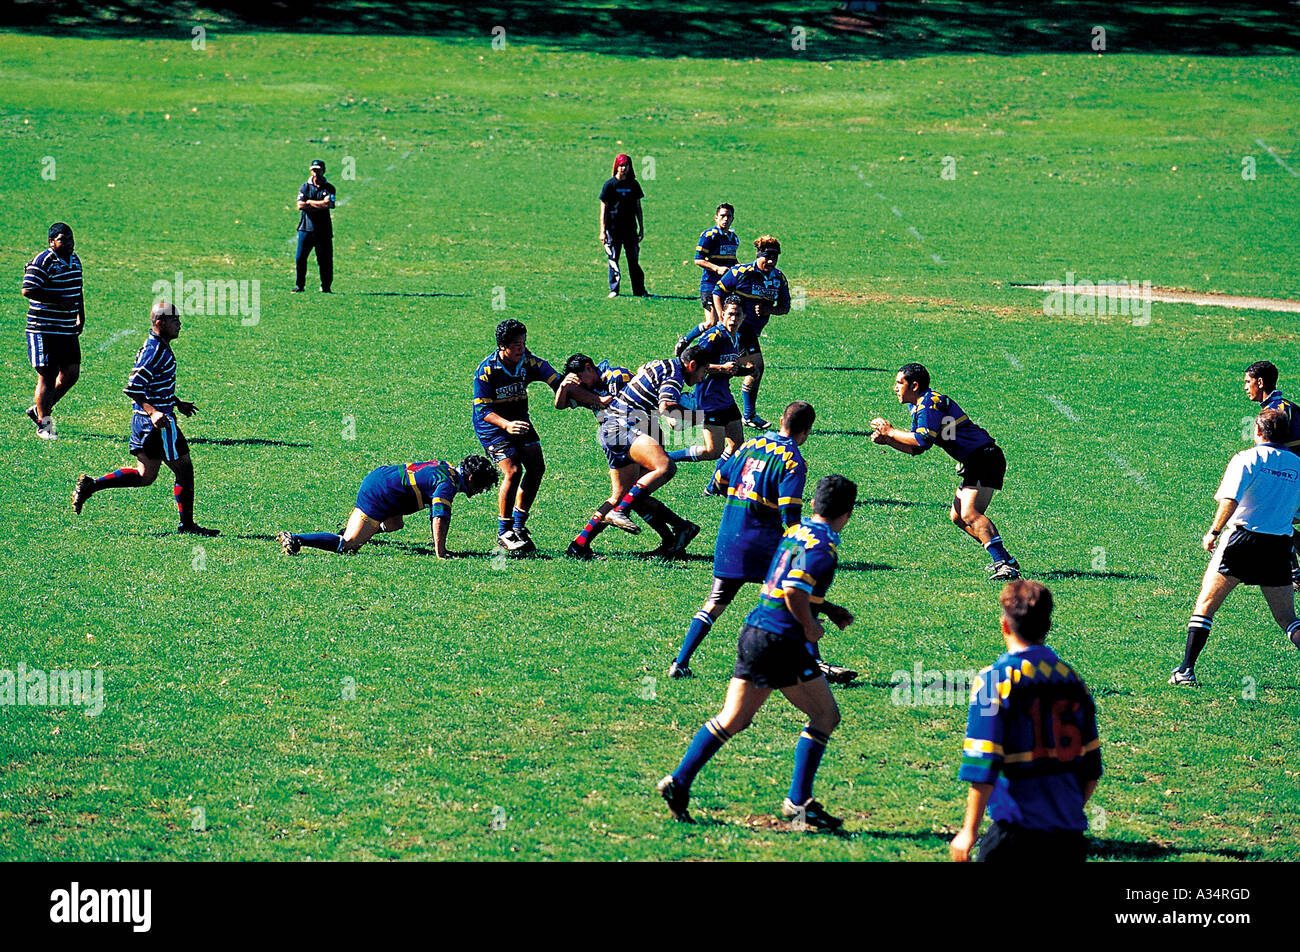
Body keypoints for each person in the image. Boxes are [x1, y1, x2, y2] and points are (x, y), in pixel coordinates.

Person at [657, 474, 858, 830]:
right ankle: (799, 804)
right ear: (849, 512)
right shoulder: (825, 546)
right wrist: (812, 627)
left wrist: (827, 608)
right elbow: (794, 591)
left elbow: (784, 579)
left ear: (813, 504)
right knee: (826, 717)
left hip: (755, 632)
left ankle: (679, 781)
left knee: (732, 719)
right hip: (782, 641)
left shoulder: (798, 533)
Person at [951, 580, 1102, 863]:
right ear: (1048, 626)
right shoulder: (1073, 680)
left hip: (1015, 835)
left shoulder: (993, 681)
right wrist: (1064, 811)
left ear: (1005, 625)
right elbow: (1092, 767)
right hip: (1068, 838)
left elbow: (983, 764)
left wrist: (968, 831)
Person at [1170, 408, 1300, 686]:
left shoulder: (1247, 458)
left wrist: (1214, 531)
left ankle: (1185, 671)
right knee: (1288, 618)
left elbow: (1230, 499)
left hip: (1242, 541)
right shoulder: (1298, 466)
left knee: (1205, 606)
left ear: (1258, 432)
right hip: (1279, 547)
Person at [71, 302, 218, 536]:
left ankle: (92, 485)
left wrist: (176, 402)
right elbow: (133, 387)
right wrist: (154, 411)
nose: (179, 324)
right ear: (160, 323)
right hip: (157, 425)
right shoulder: (155, 350)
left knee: (145, 476)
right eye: (175, 320)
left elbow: (152, 385)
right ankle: (187, 525)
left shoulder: (157, 346)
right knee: (184, 471)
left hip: (145, 423)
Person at [869, 363, 1021, 580]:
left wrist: (891, 431)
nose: (895, 388)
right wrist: (889, 441)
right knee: (958, 517)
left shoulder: (929, 404)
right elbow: (918, 447)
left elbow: (922, 439)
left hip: (984, 457)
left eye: (899, 383)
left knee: (969, 513)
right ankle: (1004, 559)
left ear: (914, 385)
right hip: (975, 459)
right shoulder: (919, 406)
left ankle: (1004, 563)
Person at [567, 348, 708, 559]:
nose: (701, 378)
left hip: (613, 428)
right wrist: (699, 418)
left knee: (626, 495)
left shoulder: (663, 364)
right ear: (692, 365)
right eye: (703, 372)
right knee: (665, 468)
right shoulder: (675, 374)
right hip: (625, 426)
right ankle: (623, 512)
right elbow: (666, 406)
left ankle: (579, 545)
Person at [277, 455, 497, 558]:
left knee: (394, 524)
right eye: (482, 486)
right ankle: (296, 538)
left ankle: (362, 529)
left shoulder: (447, 469)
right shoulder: (447, 484)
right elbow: (439, 517)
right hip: (379, 493)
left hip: (382, 480)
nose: (481, 492)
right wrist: (441, 552)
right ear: (470, 478)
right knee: (349, 546)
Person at [472, 319, 561, 555]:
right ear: (502, 346)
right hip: (493, 426)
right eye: (516, 344)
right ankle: (504, 531)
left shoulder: (526, 362)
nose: (521, 348)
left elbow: (550, 374)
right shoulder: (487, 371)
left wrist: (562, 387)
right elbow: (483, 410)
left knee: (537, 467)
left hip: (519, 420)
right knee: (513, 471)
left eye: (523, 342)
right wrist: (507, 425)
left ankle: (520, 525)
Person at [710, 236, 790, 429]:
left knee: (727, 370)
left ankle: (718, 410)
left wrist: (767, 310)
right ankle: (747, 415)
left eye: (775, 258)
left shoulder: (779, 279)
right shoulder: (741, 272)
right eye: (767, 257)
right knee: (756, 366)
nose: (770, 262)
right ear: (758, 255)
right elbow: (717, 291)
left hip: (751, 330)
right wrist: (722, 317)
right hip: (739, 329)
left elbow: (785, 307)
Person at [668, 295, 751, 477]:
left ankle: (714, 486)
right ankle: (668, 457)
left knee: (737, 444)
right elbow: (691, 362)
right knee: (713, 451)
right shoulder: (713, 337)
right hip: (708, 401)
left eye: (738, 315)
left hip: (725, 399)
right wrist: (722, 367)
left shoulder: (736, 338)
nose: (733, 319)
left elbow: (729, 369)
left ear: (744, 316)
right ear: (722, 314)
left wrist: (746, 371)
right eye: (730, 314)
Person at [22, 222, 85, 441]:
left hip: (66, 328)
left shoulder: (75, 260)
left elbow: (78, 288)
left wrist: (80, 314)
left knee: (71, 374)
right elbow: (28, 289)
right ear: (51, 242)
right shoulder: (43, 261)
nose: (68, 243)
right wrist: (59, 301)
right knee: (47, 376)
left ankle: (38, 410)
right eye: (62, 239)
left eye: (70, 238)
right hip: (43, 328)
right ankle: (44, 426)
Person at [1243, 360, 1300, 589]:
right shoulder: (1286, 405)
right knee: (1281, 523)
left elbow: (1277, 452)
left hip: (1291, 476)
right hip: (1292, 475)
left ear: (1260, 382)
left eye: (1248, 382)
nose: (1246, 388)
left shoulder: (1274, 412)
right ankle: (1294, 573)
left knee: (1276, 521)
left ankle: (1294, 574)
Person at [598, 154, 645, 298]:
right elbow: (603, 208)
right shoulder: (609, 185)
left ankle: (639, 290)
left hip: (630, 229)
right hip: (613, 230)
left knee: (633, 261)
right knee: (613, 260)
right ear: (616, 167)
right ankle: (614, 289)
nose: (624, 168)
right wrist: (602, 230)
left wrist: (641, 227)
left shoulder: (634, 185)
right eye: (621, 165)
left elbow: (638, 207)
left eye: (626, 165)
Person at [294, 159, 336, 293]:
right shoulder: (304, 187)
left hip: (323, 230)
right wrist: (319, 204)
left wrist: (310, 203)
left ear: (324, 171)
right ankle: (299, 286)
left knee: (325, 261)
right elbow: (300, 205)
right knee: (300, 259)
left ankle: (326, 287)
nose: (316, 173)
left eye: (318, 170)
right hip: (305, 228)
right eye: (313, 170)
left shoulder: (329, 188)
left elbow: (329, 204)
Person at [693, 203, 739, 324]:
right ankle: (686, 340)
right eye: (722, 216)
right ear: (716, 217)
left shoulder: (734, 238)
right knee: (710, 323)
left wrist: (740, 268)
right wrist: (717, 268)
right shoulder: (709, 236)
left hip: (726, 286)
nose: (725, 219)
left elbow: (732, 259)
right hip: (710, 285)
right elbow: (698, 260)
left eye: (729, 216)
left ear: (732, 219)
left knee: (723, 323)